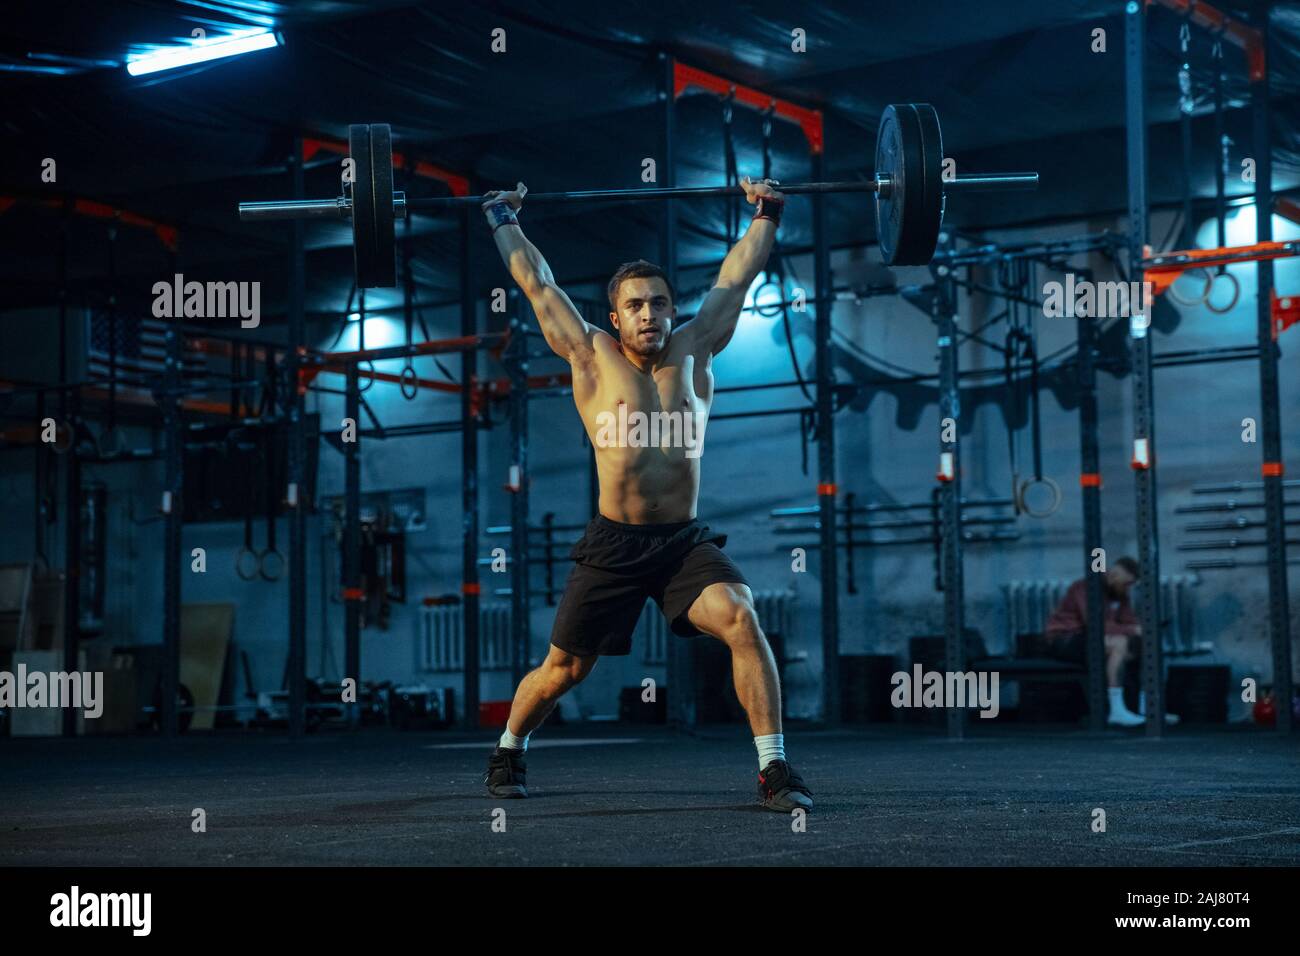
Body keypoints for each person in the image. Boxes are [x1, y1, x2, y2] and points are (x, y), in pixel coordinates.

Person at [479, 176, 812, 812]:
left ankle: (775, 769)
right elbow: (536, 284)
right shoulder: (589, 355)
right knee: (565, 671)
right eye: (635, 305)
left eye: (659, 302)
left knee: (742, 617)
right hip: (613, 543)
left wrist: (767, 211)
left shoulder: (697, 347)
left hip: (683, 542)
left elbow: (735, 278)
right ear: (615, 316)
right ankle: (509, 747)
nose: (650, 314)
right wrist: (502, 217)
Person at [1042, 556, 1179, 726]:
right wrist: (1132, 630)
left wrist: (1141, 631)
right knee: (1119, 643)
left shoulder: (1119, 593)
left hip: (1093, 640)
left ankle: (1148, 708)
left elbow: (1129, 621)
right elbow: (1095, 625)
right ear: (1114, 575)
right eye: (1126, 583)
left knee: (1146, 643)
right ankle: (1116, 711)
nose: (1128, 588)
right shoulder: (1085, 587)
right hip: (1065, 639)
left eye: (1131, 584)